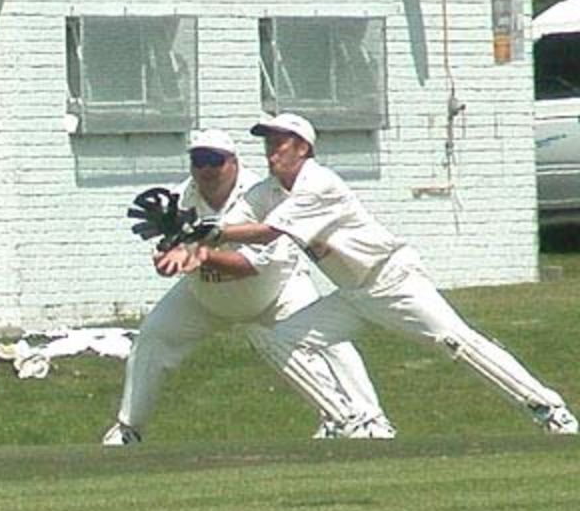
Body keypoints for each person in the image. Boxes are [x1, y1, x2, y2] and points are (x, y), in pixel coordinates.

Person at [197, 113, 577, 434]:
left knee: (456, 341)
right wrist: (186, 231)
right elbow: (229, 222)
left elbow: (267, 232)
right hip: (352, 295)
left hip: (392, 279)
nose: (272, 150)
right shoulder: (267, 191)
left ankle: (549, 410)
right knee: (279, 339)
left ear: (303, 148)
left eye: (281, 142)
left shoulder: (319, 182)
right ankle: (354, 421)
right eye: (269, 143)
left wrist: (213, 233)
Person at [103, 129, 392, 445]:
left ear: (233, 162)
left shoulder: (262, 195)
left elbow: (250, 266)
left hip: (276, 291)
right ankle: (128, 430)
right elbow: (168, 256)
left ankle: (369, 420)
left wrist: (199, 256)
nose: (206, 169)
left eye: (214, 160)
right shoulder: (181, 197)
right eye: (199, 160)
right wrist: (166, 259)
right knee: (153, 337)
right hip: (205, 297)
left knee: (329, 340)